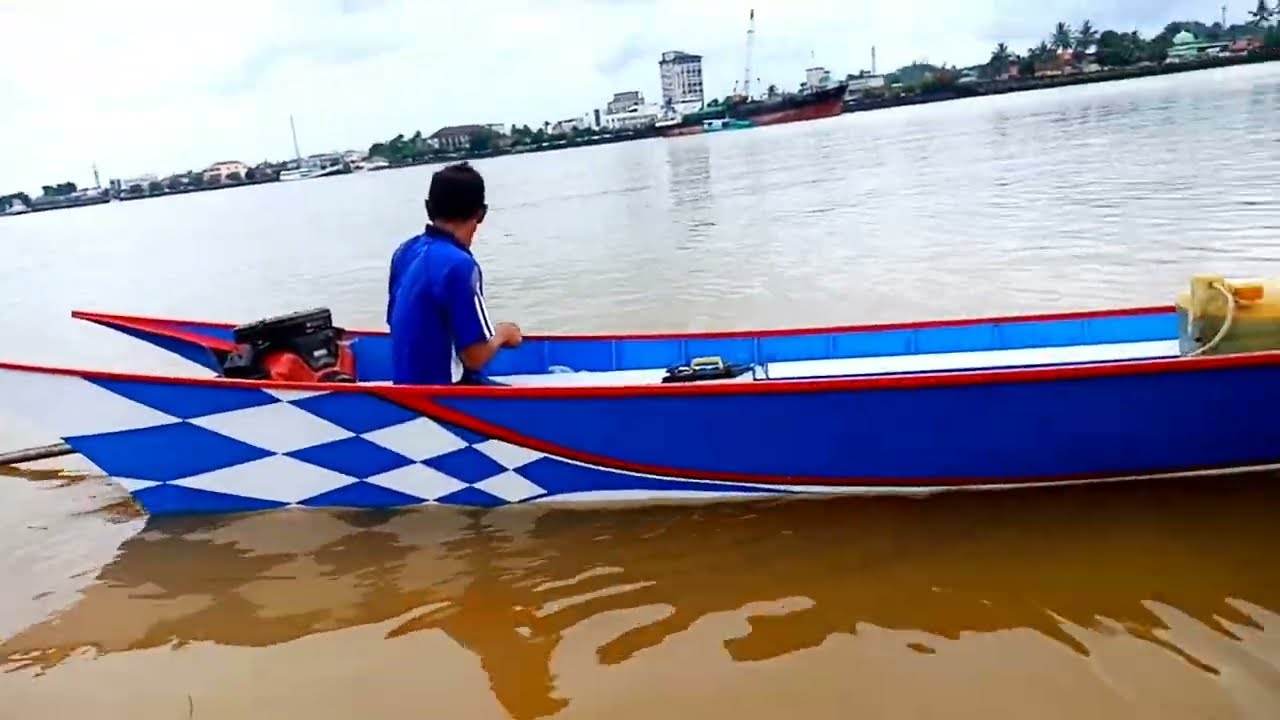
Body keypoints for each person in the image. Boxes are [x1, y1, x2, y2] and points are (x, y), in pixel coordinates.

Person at [387, 162, 522, 385]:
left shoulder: (405, 252)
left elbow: (395, 324)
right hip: (443, 393)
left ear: (428, 208)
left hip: (406, 387)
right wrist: (504, 334)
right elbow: (475, 357)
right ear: (481, 213)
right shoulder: (460, 265)